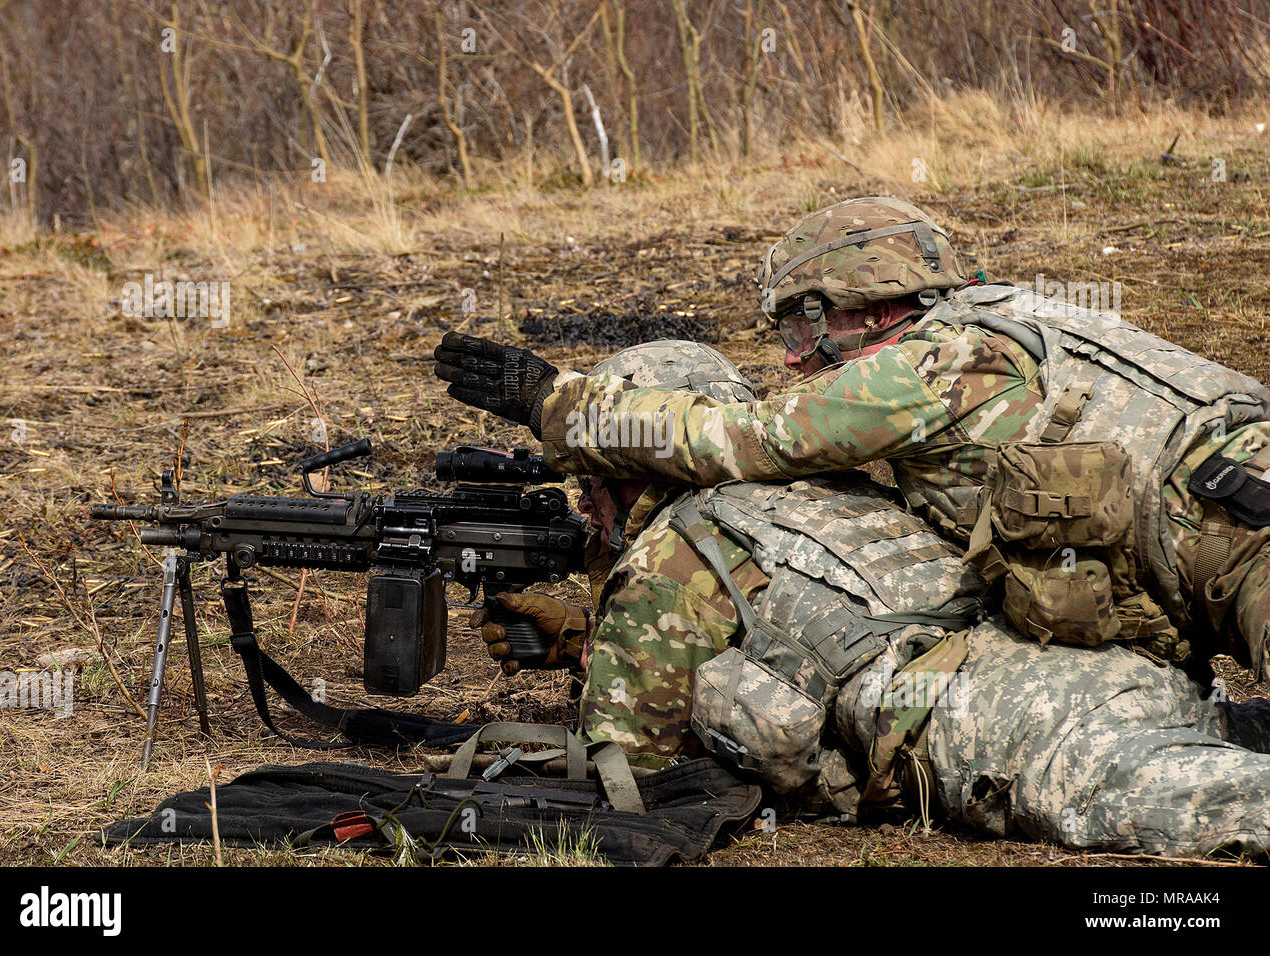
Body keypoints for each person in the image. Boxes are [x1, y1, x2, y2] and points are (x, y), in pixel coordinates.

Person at [468, 341, 1270, 859]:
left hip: (1004, 730)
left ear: (630, 466)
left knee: (1226, 810)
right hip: (1097, 670)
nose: (583, 507)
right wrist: (587, 639)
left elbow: (630, 770)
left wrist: (605, 643)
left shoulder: (666, 561)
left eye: (589, 483)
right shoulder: (838, 483)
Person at [434, 196, 1270, 688]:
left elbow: (739, 438)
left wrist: (559, 403)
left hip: (1244, 549)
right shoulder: (1023, 315)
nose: (795, 355)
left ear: (867, 302)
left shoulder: (921, 368)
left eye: (805, 321)